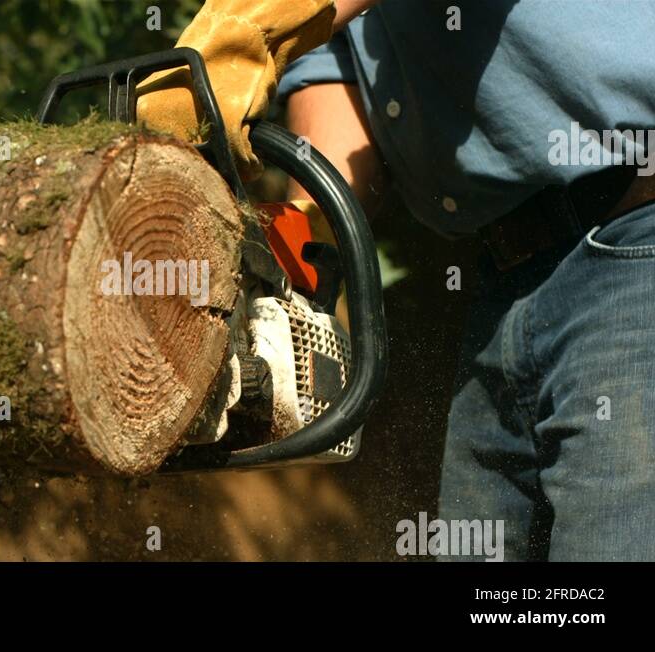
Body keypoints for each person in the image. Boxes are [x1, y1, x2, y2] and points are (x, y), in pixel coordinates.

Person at [138, 0, 655, 561]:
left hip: (635, 238)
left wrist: (250, 29)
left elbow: (281, 30)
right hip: (505, 277)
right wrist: (302, 263)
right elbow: (334, 73)